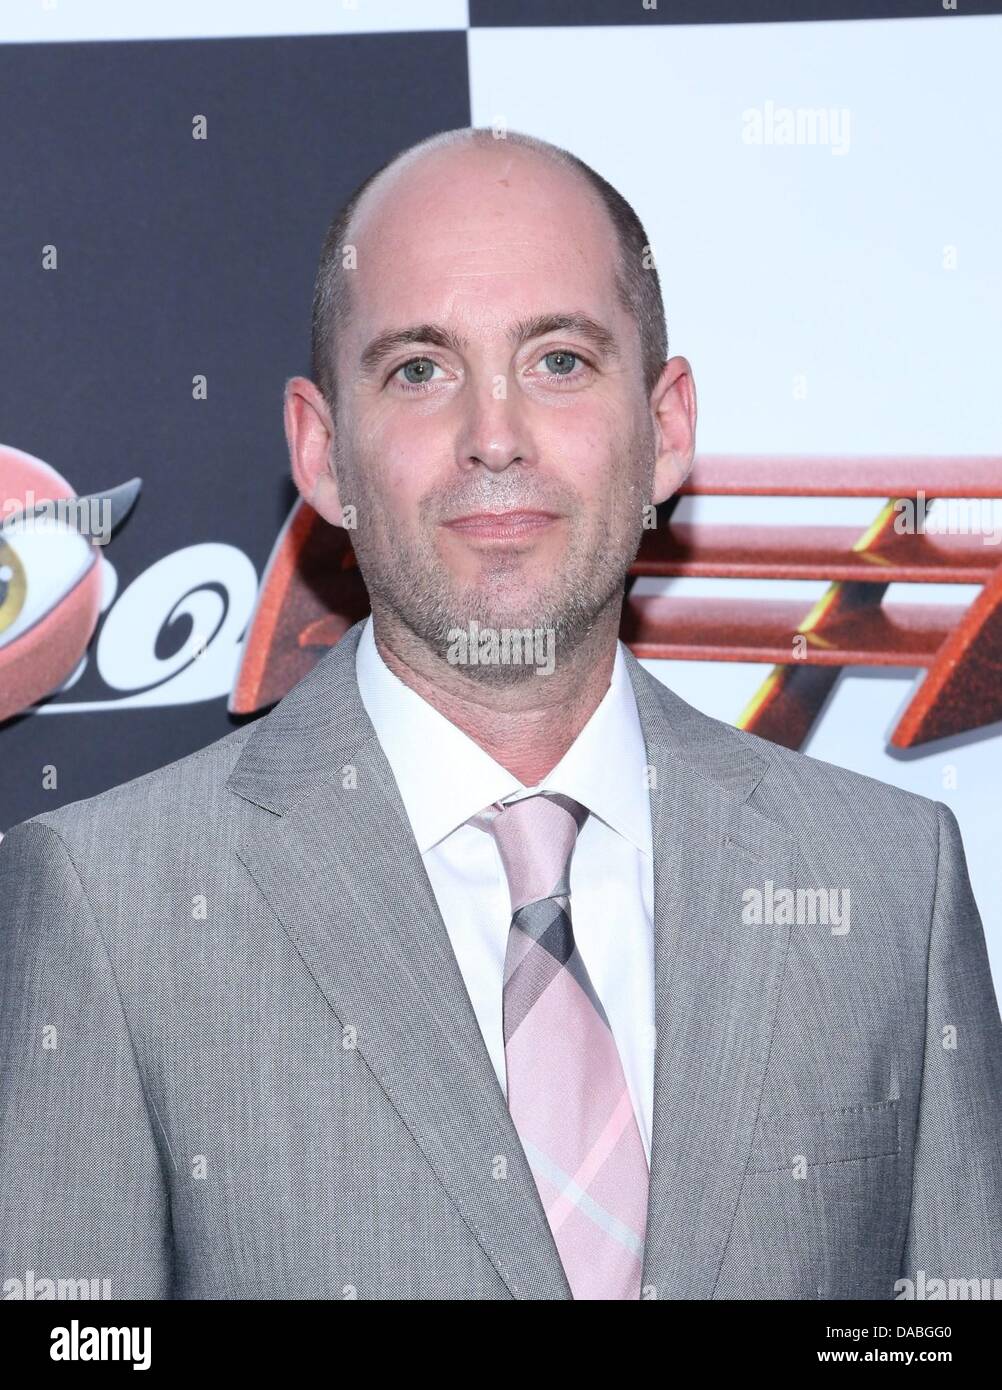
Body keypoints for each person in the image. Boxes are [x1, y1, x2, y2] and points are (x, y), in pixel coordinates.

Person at [2, 126, 1000, 1302]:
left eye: (561, 360)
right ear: (323, 453)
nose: (495, 434)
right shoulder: (112, 905)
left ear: (667, 427)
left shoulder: (889, 881)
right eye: (420, 369)